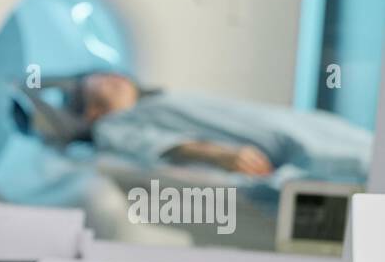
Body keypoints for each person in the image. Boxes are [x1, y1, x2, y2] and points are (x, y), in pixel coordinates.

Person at [79, 71, 371, 181]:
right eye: (102, 84)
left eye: (111, 74)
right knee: (354, 161)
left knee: (357, 142)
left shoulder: (156, 98)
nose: (114, 78)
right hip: (279, 146)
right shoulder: (110, 126)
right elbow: (161, 147)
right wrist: (220, 155)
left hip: (289, 123)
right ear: (93, 111)